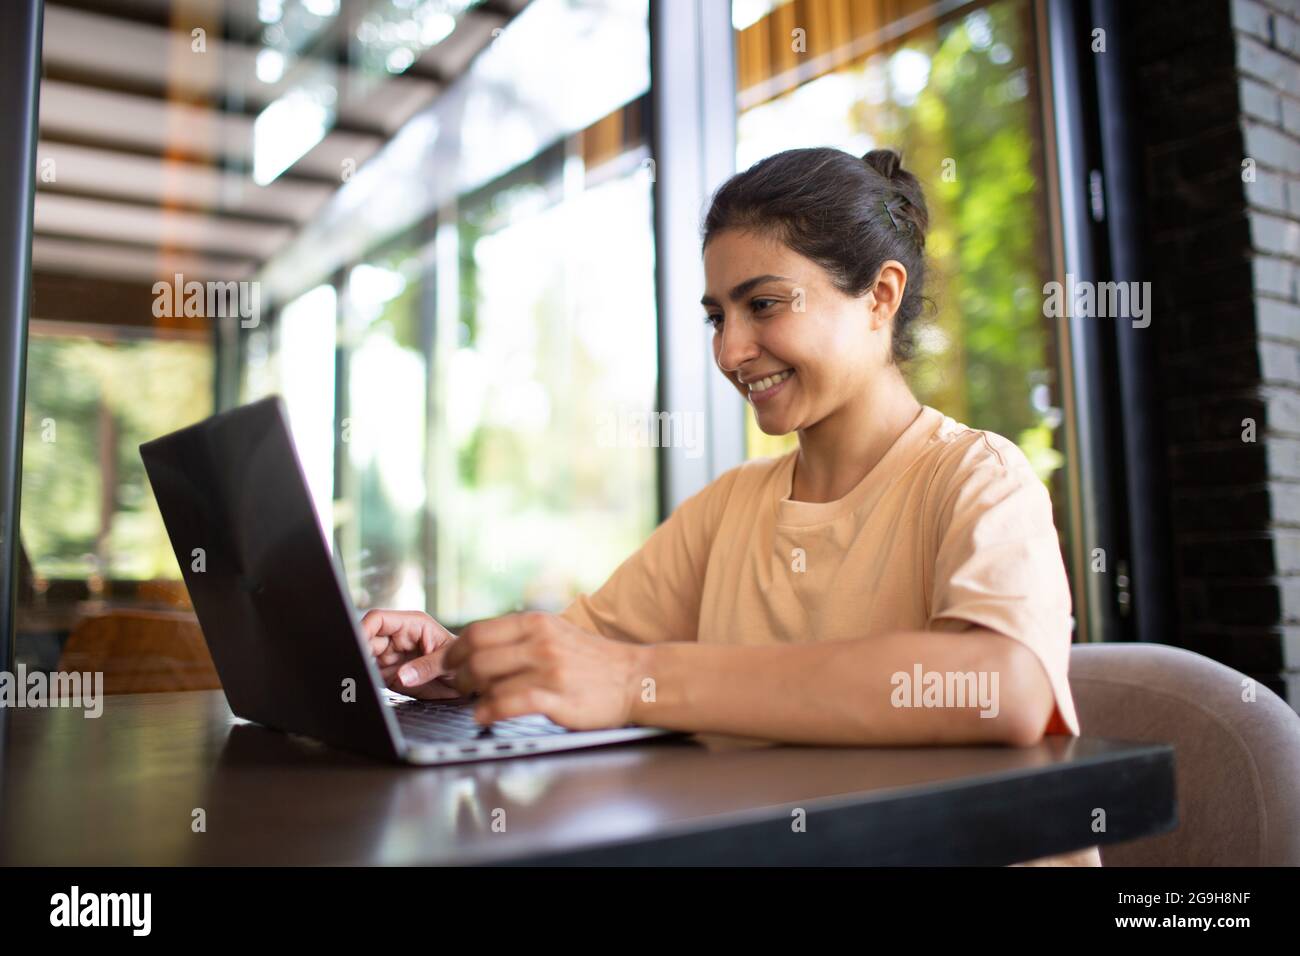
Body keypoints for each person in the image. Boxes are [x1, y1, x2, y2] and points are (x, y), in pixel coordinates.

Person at [364, 148, 1097, 862]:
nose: (729, 351)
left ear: (880, 295)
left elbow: (1005, 686)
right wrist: (460, 660)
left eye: (765, 305)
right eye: (719, 316)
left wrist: (635, 683)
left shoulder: (977, 478)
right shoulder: (729, 509)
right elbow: (579, 653)